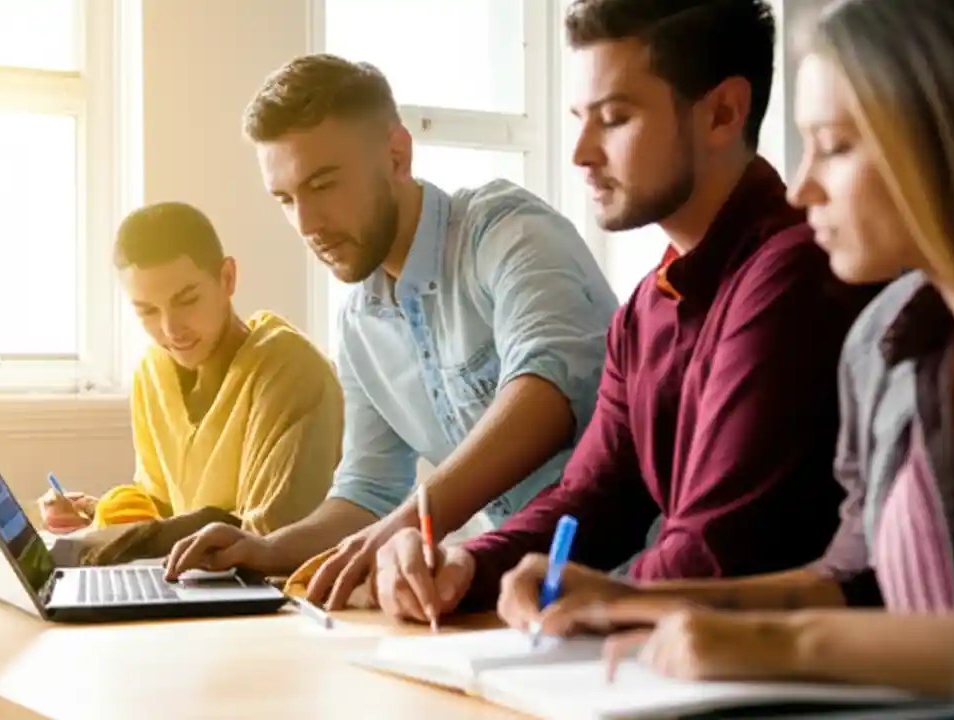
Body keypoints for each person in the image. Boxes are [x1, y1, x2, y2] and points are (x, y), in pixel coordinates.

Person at [486, 0, 954, 699]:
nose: (802, 187)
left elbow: (740, 565)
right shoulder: (884, 345)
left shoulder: (794, 274)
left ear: (947, 135)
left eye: (834, 148)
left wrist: (775, 641)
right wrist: (616, 601)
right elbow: (846, 581)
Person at [375, 0, 878, 624]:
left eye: (614, 119)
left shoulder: (794, 271)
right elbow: (591, 500)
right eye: (578, 119)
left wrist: (591, 597)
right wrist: (468, 565)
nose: (580, 152)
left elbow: (712, 553)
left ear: (723, 113)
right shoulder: (646, 308)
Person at [165, 54, 617, 610]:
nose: (305, 224)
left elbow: (547, 391)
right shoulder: (359, 325)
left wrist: (413, 520)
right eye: (285, 199)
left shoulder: (506, 232)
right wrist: (266, 549)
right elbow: (367, 491)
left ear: (398, 155)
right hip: (523, 593)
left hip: (640, 573)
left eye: (323, 184)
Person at [37, 201, 342, 563]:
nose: (170, 329)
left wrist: (107, 545)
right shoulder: (153, 371)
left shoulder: (291, 371)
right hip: (196, 581)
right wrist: (97, 516)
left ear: (227, 278)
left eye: (187, 300)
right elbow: (163, 508)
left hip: (279, 593)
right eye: (147, 311)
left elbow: (267, 535)